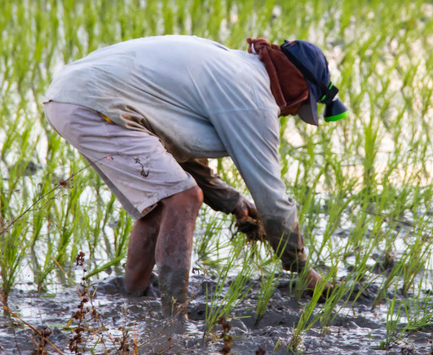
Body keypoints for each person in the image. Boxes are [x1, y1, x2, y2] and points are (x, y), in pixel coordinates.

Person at [41, 35, 349, 317]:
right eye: (300, 104)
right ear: (294, 84)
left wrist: (232, 201)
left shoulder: (233, 71)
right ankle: (174, 317)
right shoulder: (254, 97)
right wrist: (303, 270)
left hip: (72, 95)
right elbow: (273, 202)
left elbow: (181, 159)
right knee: (183, 198)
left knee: (161, 204)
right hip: (93, 102)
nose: (293, 113)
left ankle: (133, 299)